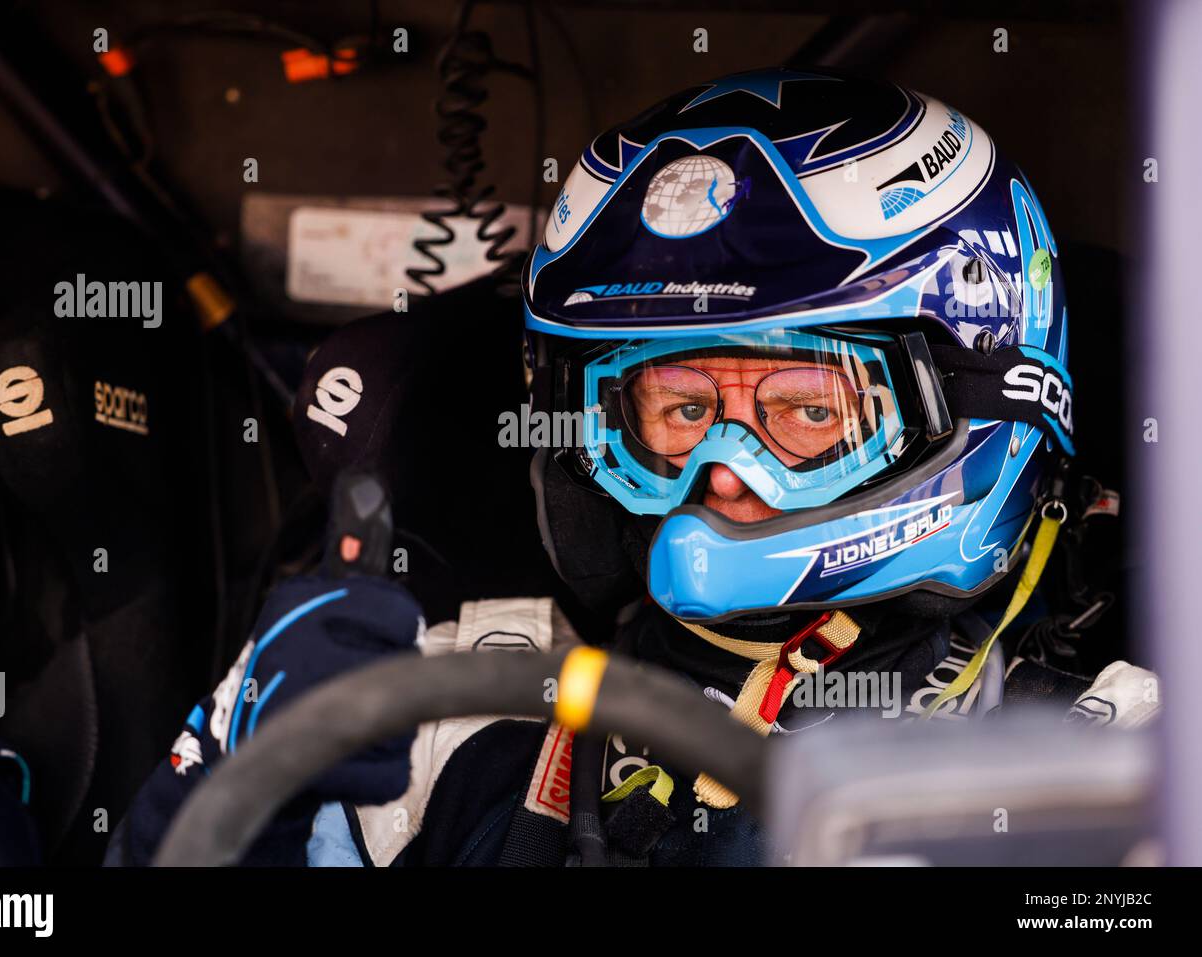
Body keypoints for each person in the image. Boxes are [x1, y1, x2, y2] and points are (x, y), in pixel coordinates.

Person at [109, 67, 1157, 867]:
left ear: (977, 401)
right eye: (680, 409)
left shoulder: (1122, 766)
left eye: (800, 410)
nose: (725, 471)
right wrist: (234, 776)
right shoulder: (445, 715)